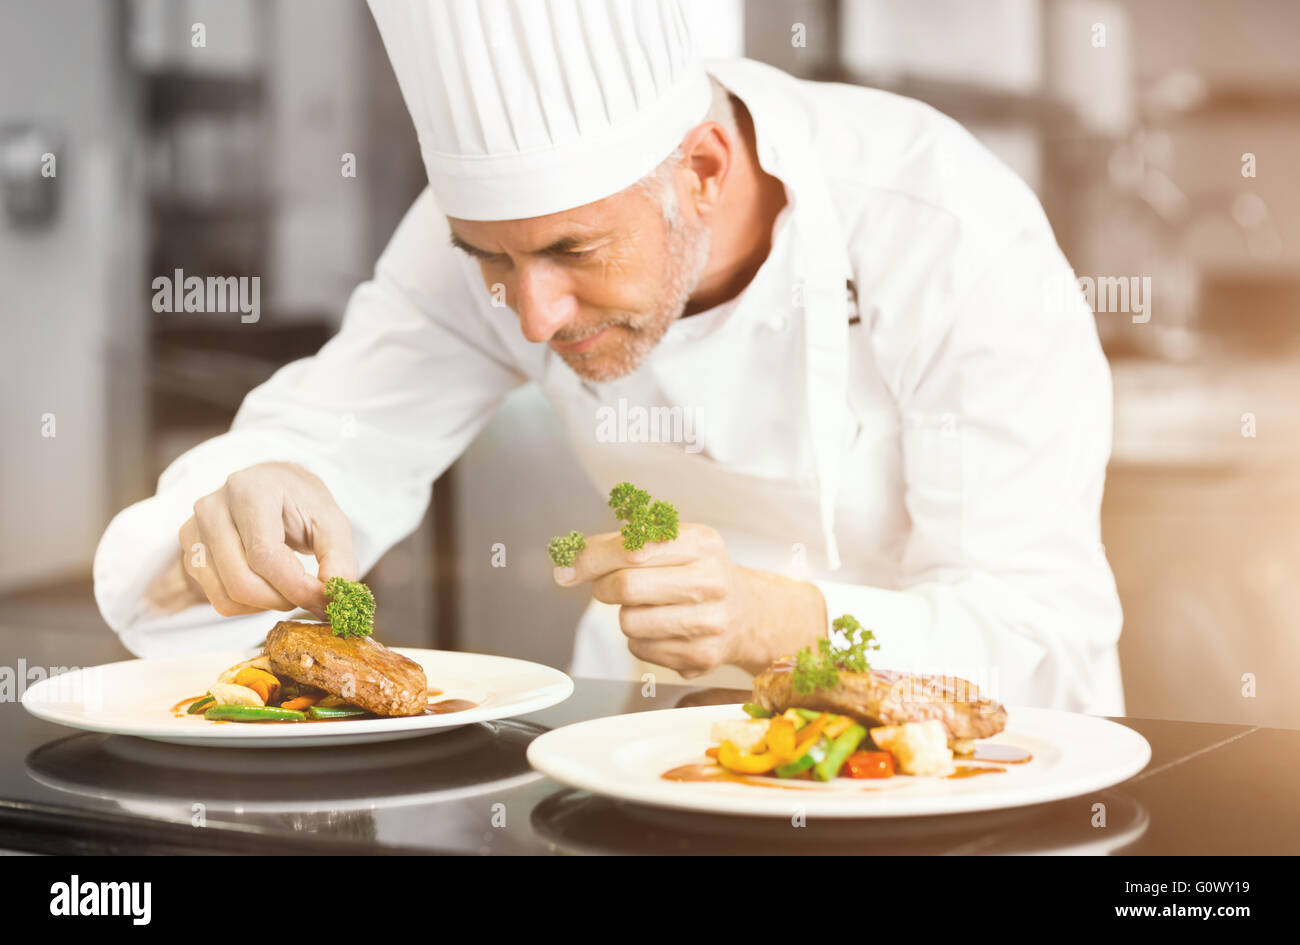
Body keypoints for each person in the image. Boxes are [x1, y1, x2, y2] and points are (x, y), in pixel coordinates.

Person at [94, 0, 1124, 712]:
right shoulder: (498, 242)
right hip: (647, 748)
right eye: (489, 258)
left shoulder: (943, 227)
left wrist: (783, 620)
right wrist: (263, 491)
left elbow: (1043, 640)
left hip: (962, 792)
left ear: (706, 170)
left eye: (573, 252)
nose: (532, 313)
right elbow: (334, 434)